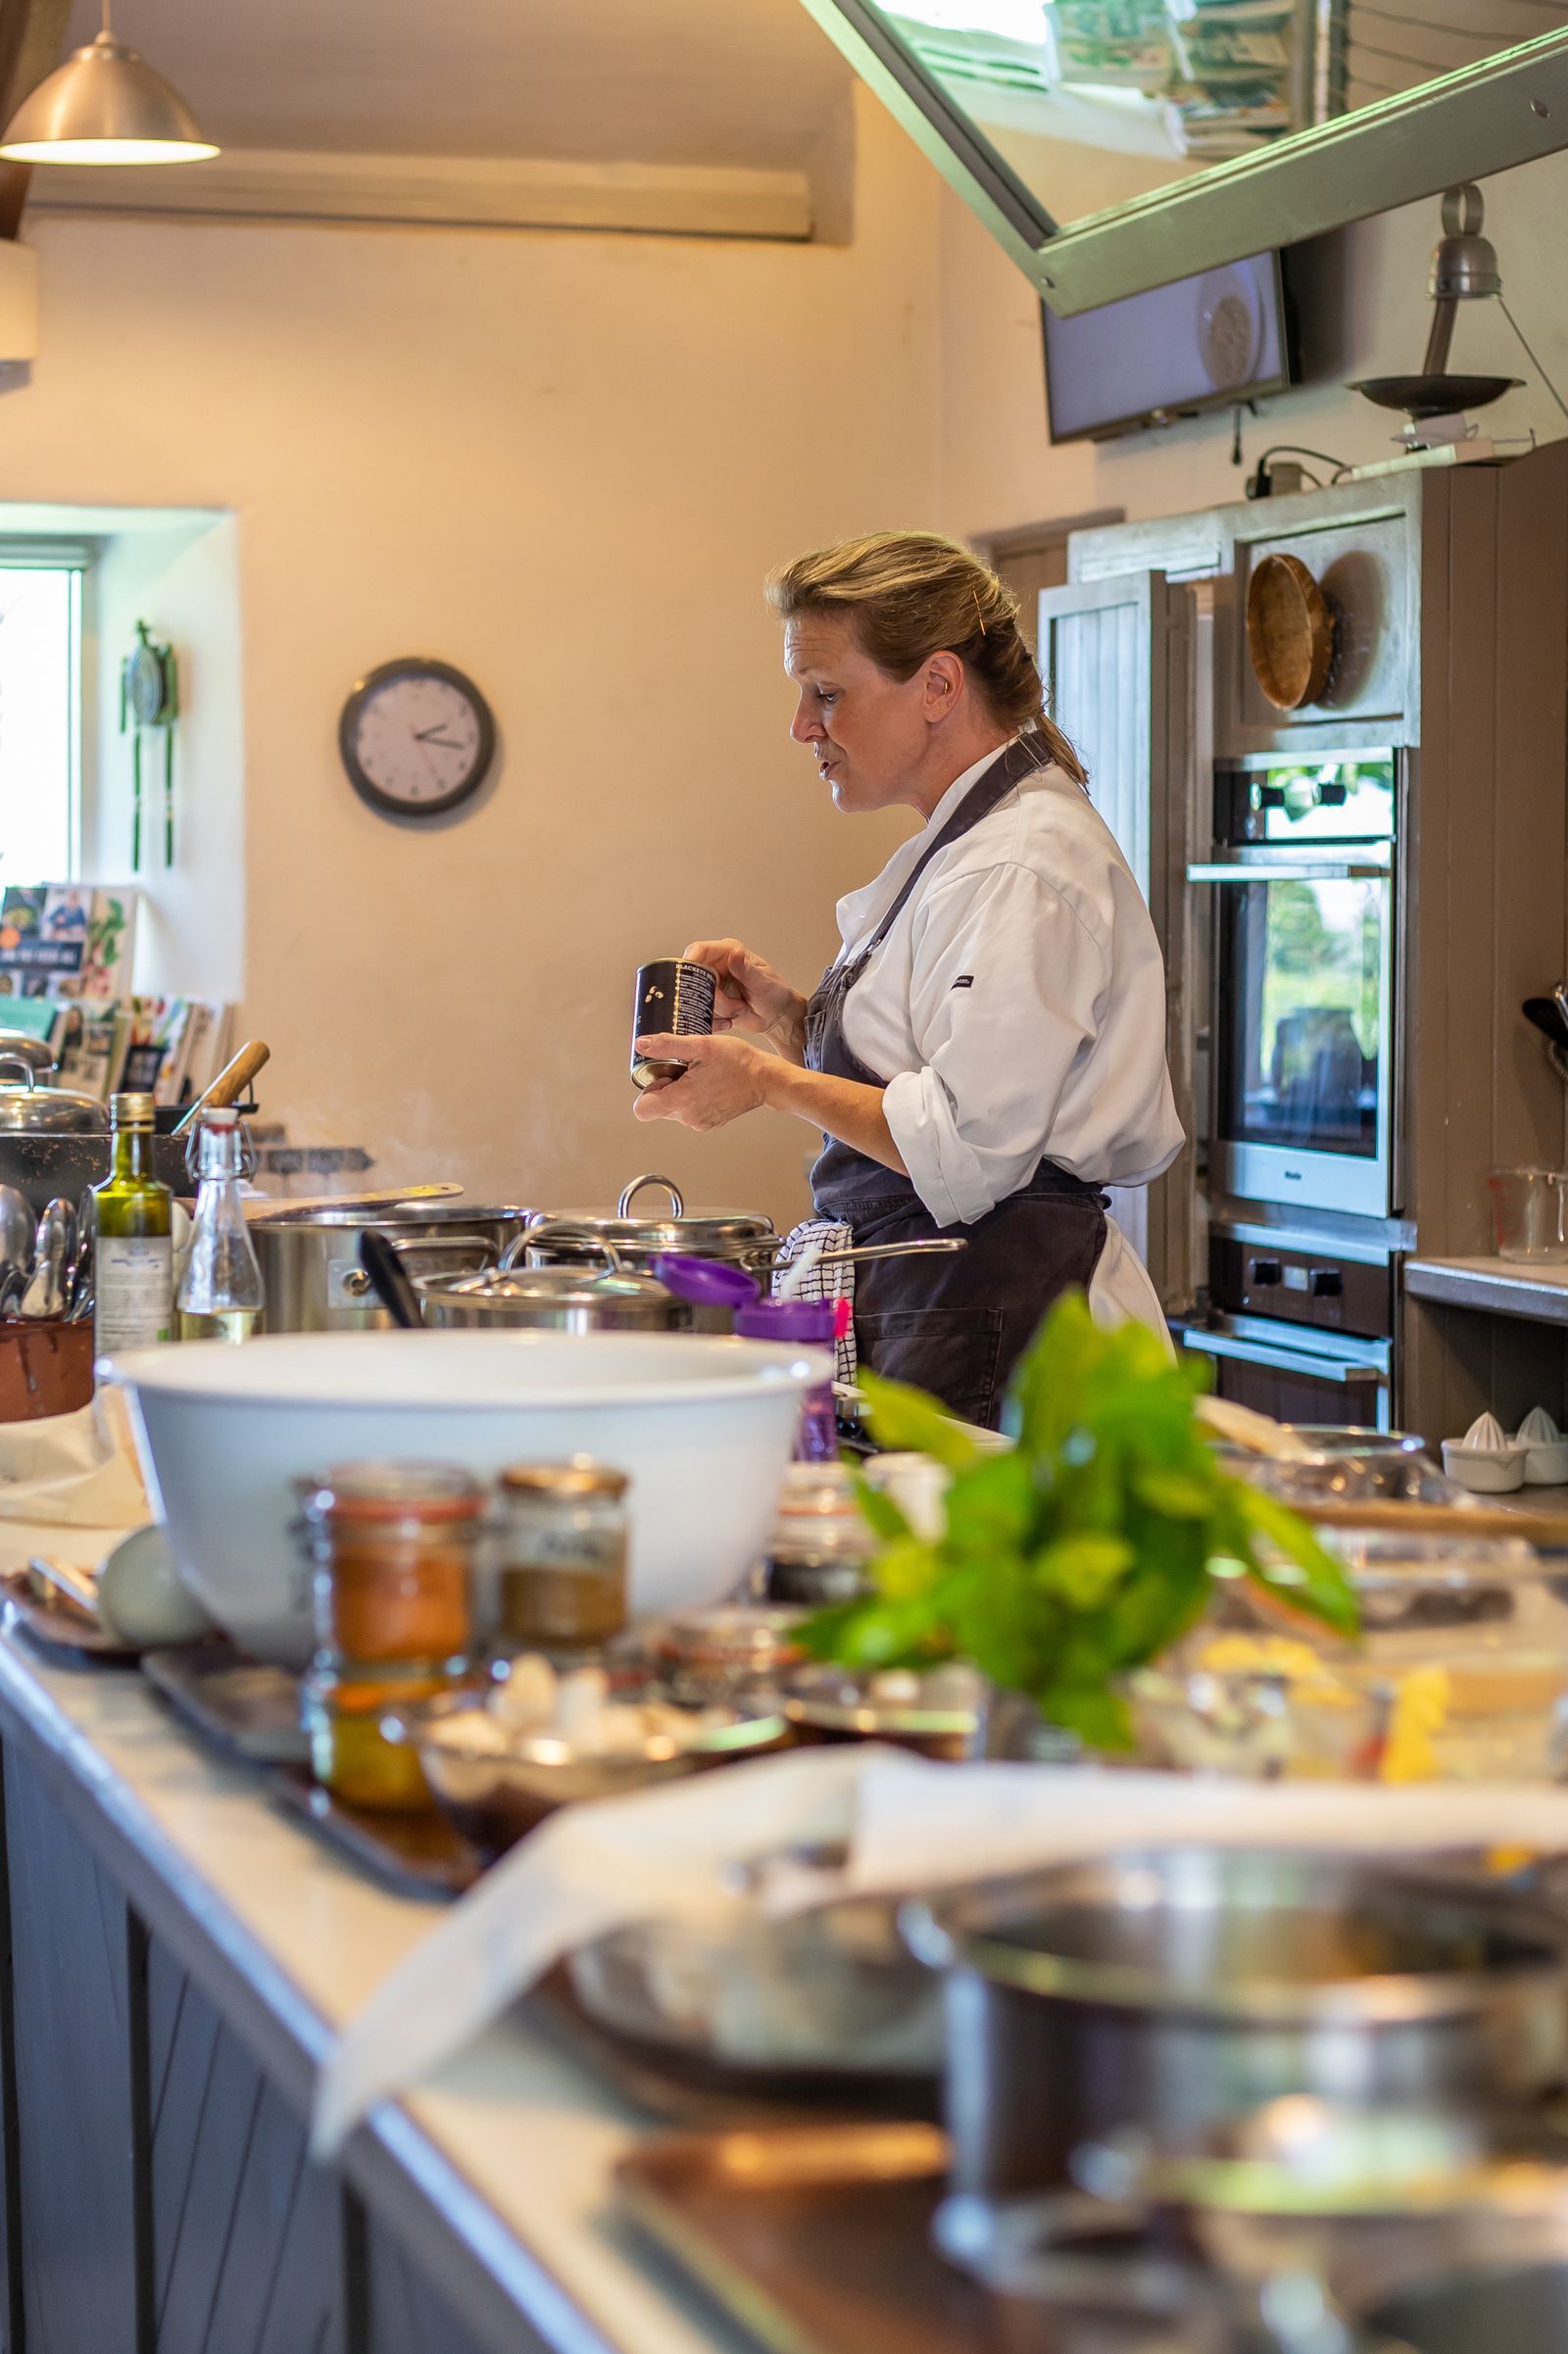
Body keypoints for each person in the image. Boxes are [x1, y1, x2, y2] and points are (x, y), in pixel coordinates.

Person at [632, 530, 1183, 1429]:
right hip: (950, 1298)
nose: (802, 726)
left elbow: (966, 1149)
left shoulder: (1020, 863)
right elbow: (929, 1072)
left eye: (827, 694)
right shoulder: (970, 844)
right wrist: (786, 1017)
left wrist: (771, 1082)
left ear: (936, 686)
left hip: (1008, 1314)